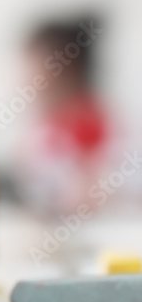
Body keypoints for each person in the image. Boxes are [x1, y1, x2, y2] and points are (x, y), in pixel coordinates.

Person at [13, 16, 113, 215]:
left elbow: (85, 198)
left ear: (66, 70)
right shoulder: (42, 130)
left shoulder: (91, 124)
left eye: (33, 63)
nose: (24, 77)